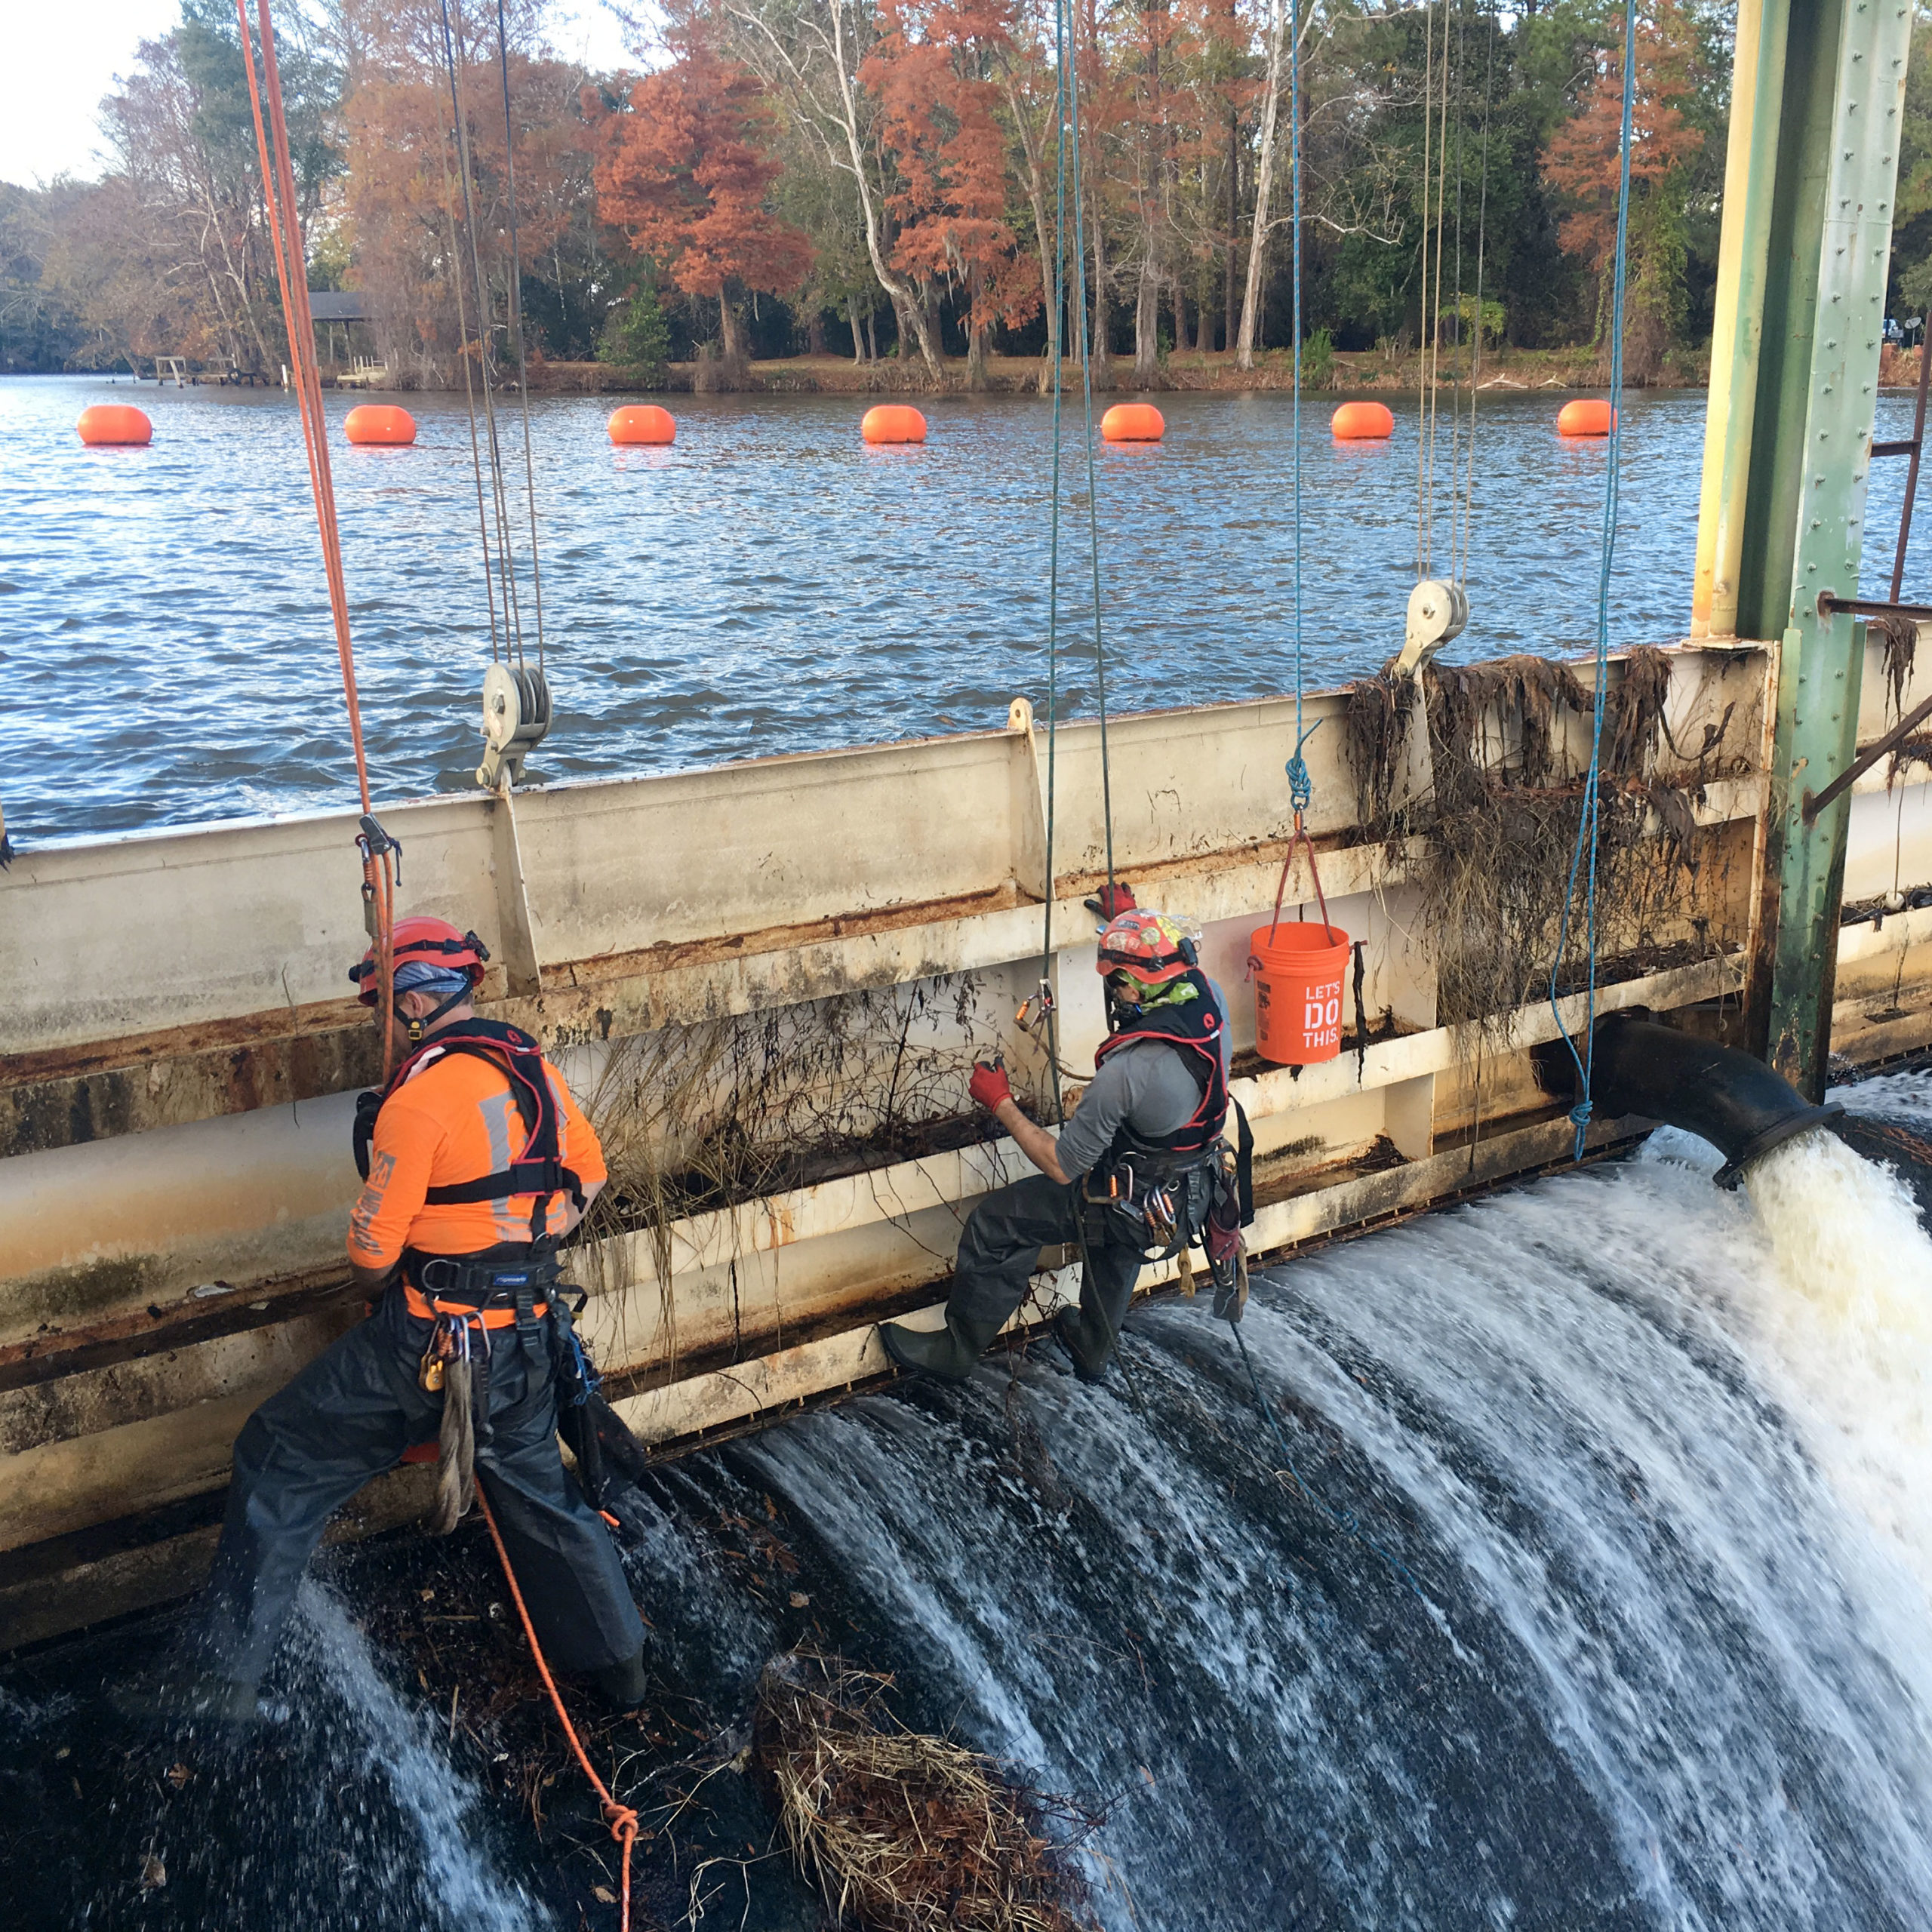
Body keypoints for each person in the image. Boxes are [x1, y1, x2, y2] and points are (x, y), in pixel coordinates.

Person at [178, 916, 645, 1721]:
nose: (380, 1025)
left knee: (279, 1451)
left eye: (382, 1007)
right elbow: (590, 1178)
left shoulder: (419, 1099)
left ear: (418, 1002)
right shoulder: (532, 1071)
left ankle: (223, 1680)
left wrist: (434, 1264)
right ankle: (623, 1668)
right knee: (541, 1500)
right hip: (530, 1333)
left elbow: (371, 1256)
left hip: (427, 1346)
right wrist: (513, 1249)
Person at [879, 906, 1232, 1383]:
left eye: (1115, 982)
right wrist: (1125, 924)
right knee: (1120, 1232)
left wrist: (1000, 1100)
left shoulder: (1126, 1074)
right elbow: (1161, 956)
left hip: (1135, 1206)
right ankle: (1092, 1346)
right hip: (1189, 1195)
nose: (1114, 993)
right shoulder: (1212, 1002)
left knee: (999, 1223)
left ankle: (957, 1349)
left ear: (1131, 987)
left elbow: (1061, 1166)